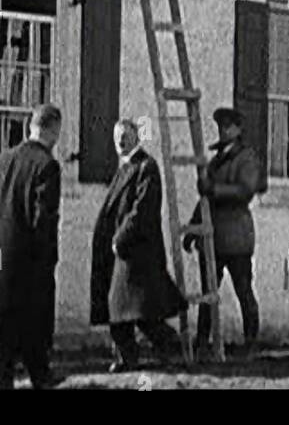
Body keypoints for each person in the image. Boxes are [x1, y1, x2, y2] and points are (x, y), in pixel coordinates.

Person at [0, 104, 63, 390]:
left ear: (29, 127)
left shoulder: (1, 160)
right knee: (31, 338)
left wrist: (2, 236)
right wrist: (46, 261)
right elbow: (43, 222)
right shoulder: (47, 165)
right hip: (27, 266)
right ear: (53, 129)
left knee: (1, 341)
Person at [90, 117, 184, 372]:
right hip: (121, 251)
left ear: (136, 139)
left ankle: (168, 345)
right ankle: (126, 358)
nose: (120, 141)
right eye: (117, 137)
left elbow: (142, 210)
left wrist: (121, 239)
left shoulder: (146, 167)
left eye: (126, 136)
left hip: (138, 251)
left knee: (140, 311)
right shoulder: (124, 168)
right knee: (119, 309)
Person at [187, 107, 261, 354]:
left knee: (243, 291)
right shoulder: (216, 160)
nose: (224, 130)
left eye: (229, 126)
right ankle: (201, 343)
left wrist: (214, 190)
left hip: (237, 237)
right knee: (208, 294)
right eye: (221, 126)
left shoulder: (247, 157)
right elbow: (204, 200)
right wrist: (193, 229)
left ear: (238, 130)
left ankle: (251, 343)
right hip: (213, 237)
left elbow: (245, 190)